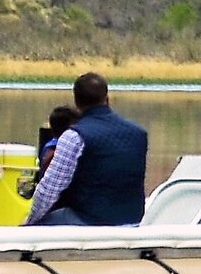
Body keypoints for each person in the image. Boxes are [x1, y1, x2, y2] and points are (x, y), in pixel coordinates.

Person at [26, 72, 149, 226]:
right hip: (132, 221)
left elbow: (49, 191)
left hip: (88, 221)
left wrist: (28, 223)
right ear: (107, 99)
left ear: (76, 102)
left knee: (40, 223)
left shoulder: (74, 137)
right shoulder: (139, 133)